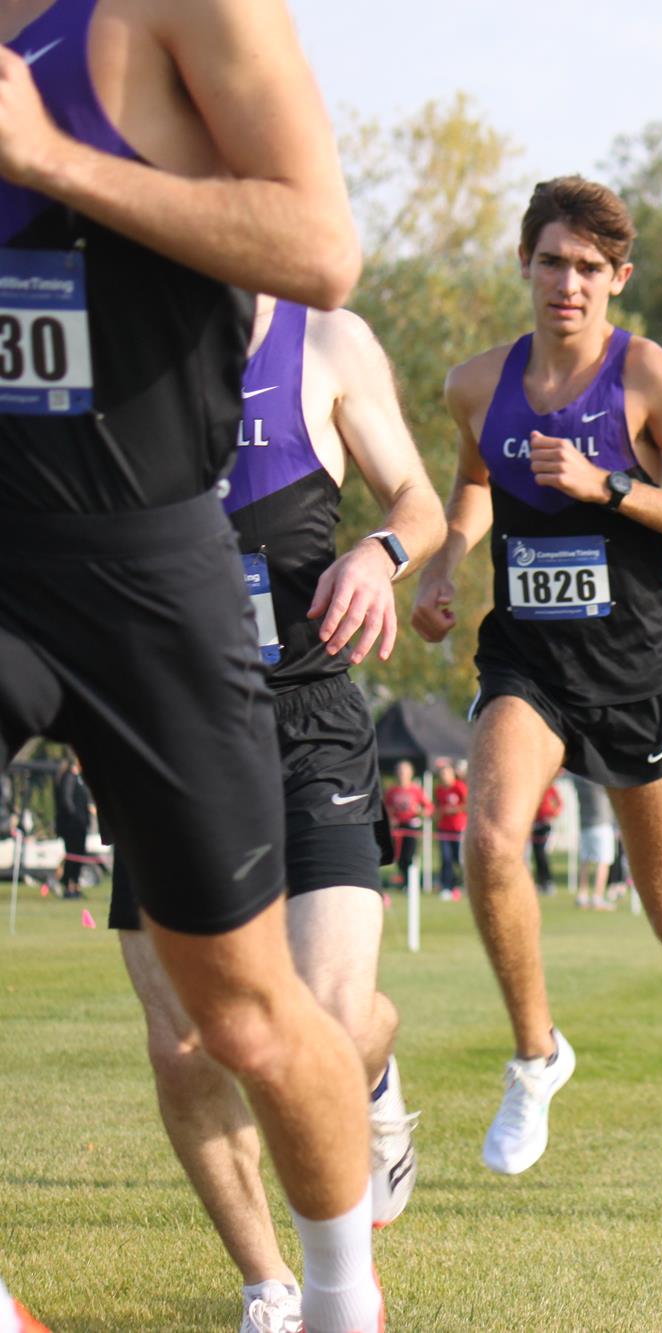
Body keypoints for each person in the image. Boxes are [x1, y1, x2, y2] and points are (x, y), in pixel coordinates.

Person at [0, 2, 389, 1326]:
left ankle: (340, 1295)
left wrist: (50, 157)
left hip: (147, 566)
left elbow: (319, 248)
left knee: (243, 1015)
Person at [410, 175, 662, 1210]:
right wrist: (443, 562)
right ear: (524, 264)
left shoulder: (647, 378)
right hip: (529, 663)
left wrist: (608, 485)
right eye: (552, 261)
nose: (569, 283)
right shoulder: (477, 385)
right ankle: (535, 1055)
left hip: (638, 669)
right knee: (490, 839)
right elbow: (473, 481)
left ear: (618, 279)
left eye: (590, 268)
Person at [110, 294, 445, 1332]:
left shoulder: (326, 340)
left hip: (307, 718)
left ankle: (375, 1076)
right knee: (183, 1044)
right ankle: (270, 1285)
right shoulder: (121, 337)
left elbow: (416, 499)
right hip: (159, 724)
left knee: (332, 1023)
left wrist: (379, 553)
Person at [383, 761, 431, 889]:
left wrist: (419, 811)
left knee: (409, 856)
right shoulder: (392, 791)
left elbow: (429, 809)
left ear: (410, 773)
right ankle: (404, 881)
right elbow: (385, 809)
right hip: (397, 828)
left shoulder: (417, 790)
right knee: (398, 858)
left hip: (412, 826)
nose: (402, 775)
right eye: (400, 772)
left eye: (404, 772)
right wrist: (390, 818)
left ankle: (411, 884)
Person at [571, 774, 614, 910]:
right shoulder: (599, 780)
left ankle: (582, 895)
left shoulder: (578, 779)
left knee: (585, 860)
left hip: (585, 824)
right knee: (604, 862)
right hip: (602, 824)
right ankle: (597, 897)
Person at [52, 753, 92, 898]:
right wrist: (77, 817)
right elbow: (67, 801)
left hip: (80, 826)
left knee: (78, 856)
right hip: (73, 826)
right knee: (73, 856)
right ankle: (69, 886)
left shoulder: (78, 778)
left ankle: (75, 885)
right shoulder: (70, 777)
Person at [432, 760, 468, 898]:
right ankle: (447, 886)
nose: (444, 776)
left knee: (459, 859)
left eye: (446, 773)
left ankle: (463, 884)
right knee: (446, 858)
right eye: (442, 774)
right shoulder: (439, 790)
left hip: (459, 828)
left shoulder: (460, 787)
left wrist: (454, 809)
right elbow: (437, 807)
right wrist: (437, 814)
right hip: (443, 829)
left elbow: (468, 805)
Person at [529, 782, 562, 894]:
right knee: (536, 854)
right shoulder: (533, 787)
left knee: (542, 854)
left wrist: (553, 814)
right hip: (534, 824)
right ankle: (541, 882)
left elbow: (559, 803)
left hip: (545, 824)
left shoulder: (550, 788)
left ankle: (548, 881)